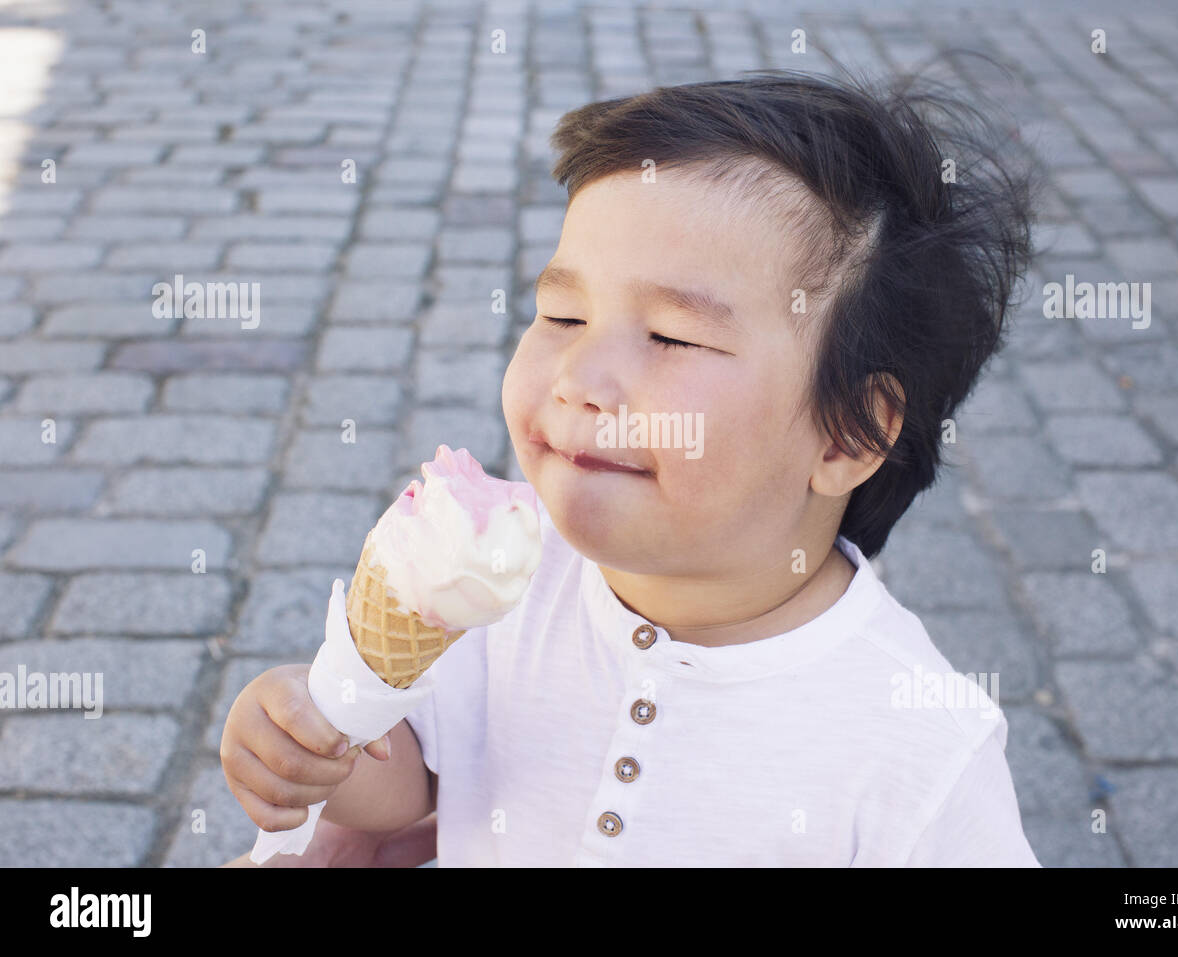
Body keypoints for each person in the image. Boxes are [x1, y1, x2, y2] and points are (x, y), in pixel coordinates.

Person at [222, 65, 1041, 866]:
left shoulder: (922, 750)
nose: (580, 378)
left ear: (846, 434)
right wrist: (313, 736)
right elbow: (414, 784)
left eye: (673, 337)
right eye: (563, 313)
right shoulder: (502, 583)